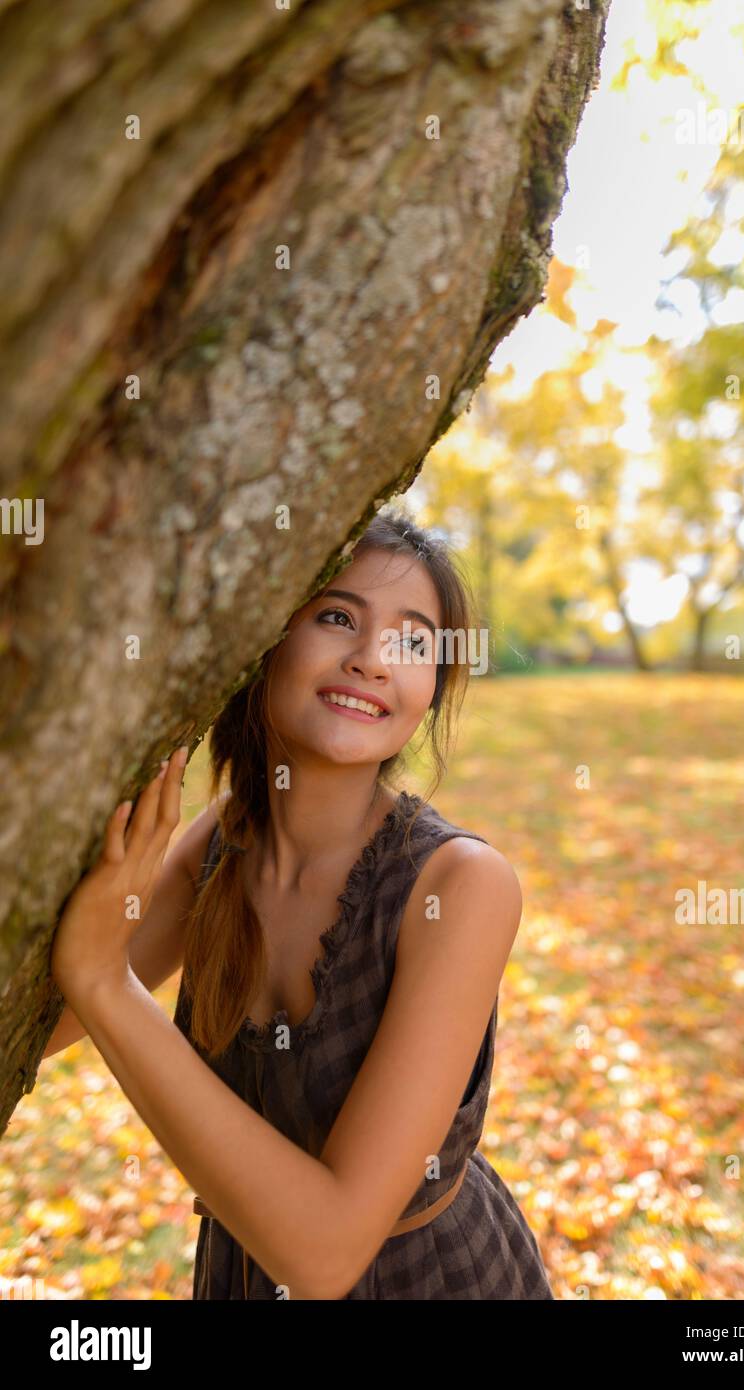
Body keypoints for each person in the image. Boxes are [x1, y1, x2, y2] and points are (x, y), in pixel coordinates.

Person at [48, 509, 555, 1300]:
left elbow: (324, 1257)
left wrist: (106, 981)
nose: (372, 660)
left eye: (413, 641)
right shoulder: (221, 845)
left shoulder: (459, 885)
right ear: (267, 639)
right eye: (336, 617)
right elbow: (38, 1023)